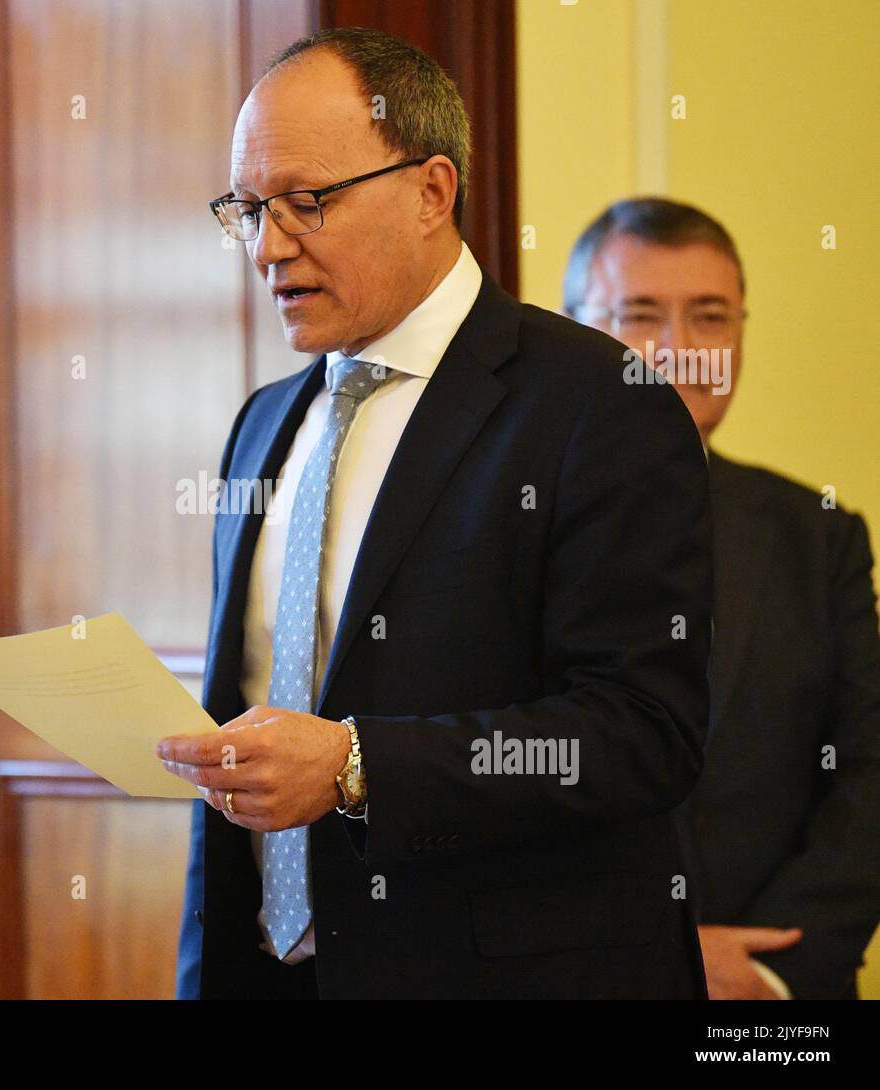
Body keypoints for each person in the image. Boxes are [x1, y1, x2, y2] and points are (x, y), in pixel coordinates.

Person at [157, 28, 712, 999]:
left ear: (431, 190)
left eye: (306, 202)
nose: (266, 245)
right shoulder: (262, 425)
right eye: (246, 209)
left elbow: (639, 730)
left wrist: (358, 765)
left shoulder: (597, 402)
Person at [565, 197, 880, 999]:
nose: (681, 349)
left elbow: (868, 776)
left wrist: (772, 971)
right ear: (574, 333)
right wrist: (651, 955)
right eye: (640, 314)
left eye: (710, 317)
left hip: (775, 998)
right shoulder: (505, 526)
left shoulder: (819, 535)